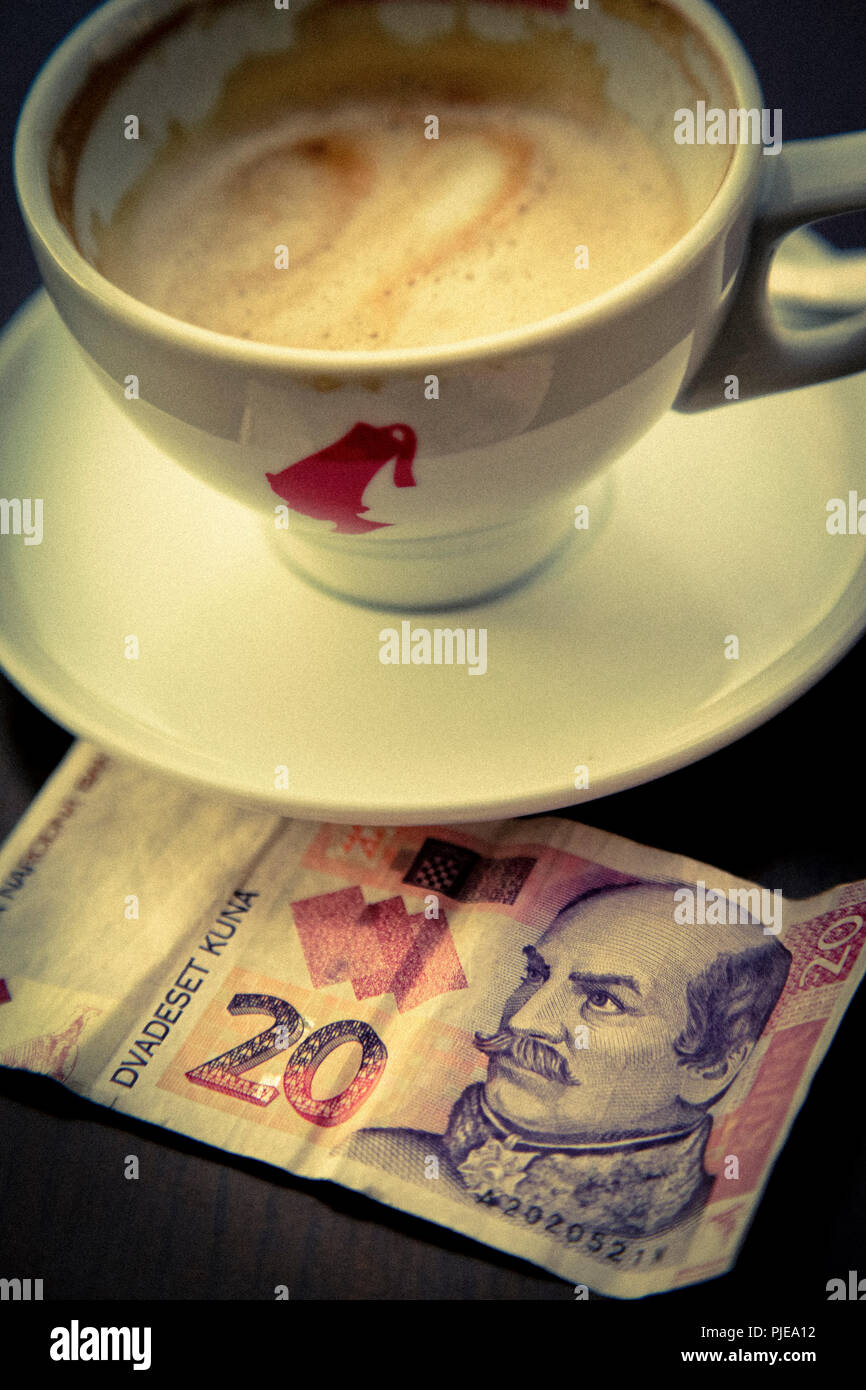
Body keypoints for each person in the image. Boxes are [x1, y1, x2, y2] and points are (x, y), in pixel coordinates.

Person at [345, 882, 791, 1237]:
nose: (524, 1018)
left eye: (603, 999)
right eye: (536, 975)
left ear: (712, 1065)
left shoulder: (704, 1235)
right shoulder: (374, 1154)